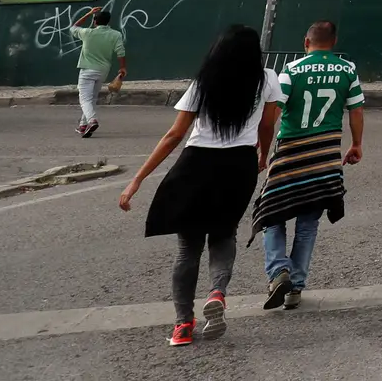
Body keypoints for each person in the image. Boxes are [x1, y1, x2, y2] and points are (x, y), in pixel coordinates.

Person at [117, 25, 281, 347]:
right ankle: (217, 294)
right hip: (239, 166)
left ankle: (182, 326)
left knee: (187, 247)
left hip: (196, 165)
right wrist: (262, 156)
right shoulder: (267, 79)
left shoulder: (203, 82)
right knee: (223, 233)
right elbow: (267, 125)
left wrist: (137, 179)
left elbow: (174, 136)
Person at [254, 20, 366, 309]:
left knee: (272, 214)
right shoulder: (348, 70)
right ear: (333, 43)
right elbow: (356, 110)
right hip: (325, 156)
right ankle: (296, 288)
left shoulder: (291, 70)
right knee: (308, 223)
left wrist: (262, 153)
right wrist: (356, 144)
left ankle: (279, 271)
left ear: (306, 42)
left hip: (290, 153)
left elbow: (272, 114)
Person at [71, 5, 127, 138]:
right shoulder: (115, 34)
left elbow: (73, 27)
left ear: (95, 21)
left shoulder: (87, 33)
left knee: (84, 99)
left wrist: (88, 13)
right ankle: (83, 125)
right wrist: (123, 67)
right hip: (103, 70)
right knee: (92, 98)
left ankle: (92, 120)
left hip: (86, 70)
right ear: (108, 22)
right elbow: (121, 52)